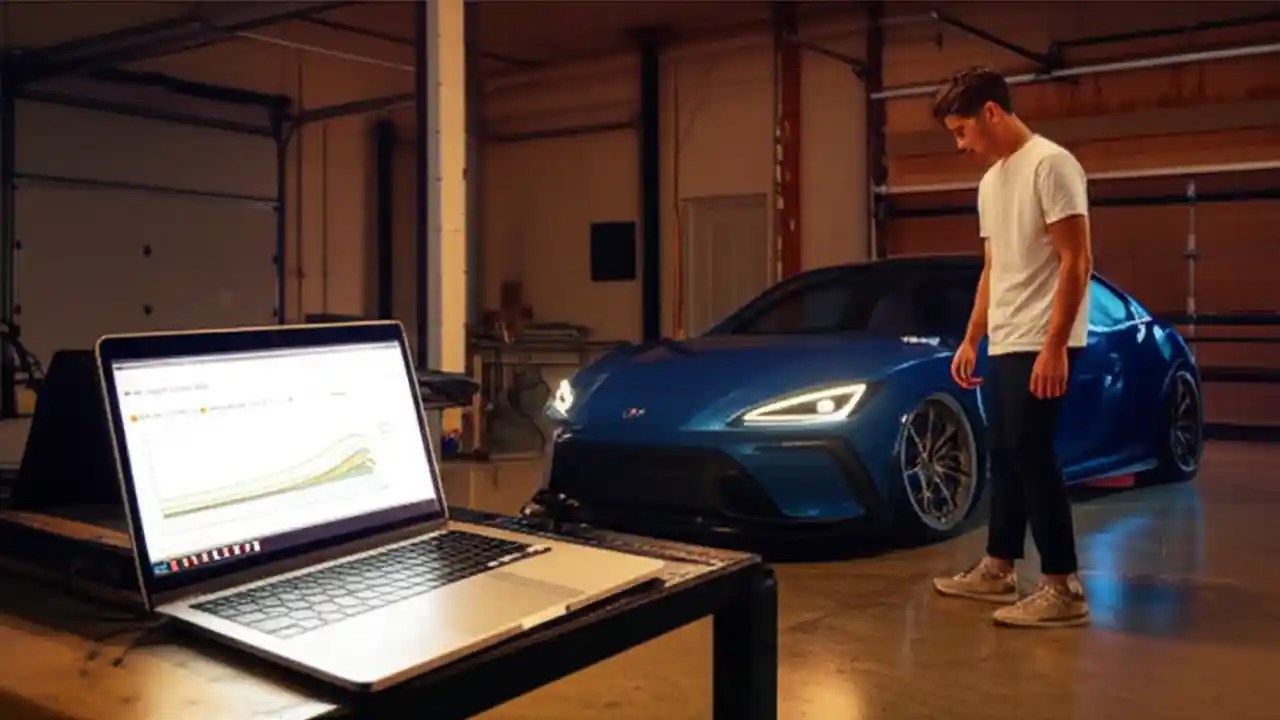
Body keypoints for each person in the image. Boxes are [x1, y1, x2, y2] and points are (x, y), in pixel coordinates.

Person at [928, 67, 1094, 628]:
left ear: (992, 113)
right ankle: (999, 568)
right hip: (1005, 338)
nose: (961, 144)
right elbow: (994, 268)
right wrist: (973, 337)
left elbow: (1077, 261)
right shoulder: (991, 182)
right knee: (1005, 452)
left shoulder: (1052, 164)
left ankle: (1063, 586)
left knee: (1033, 453)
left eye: (961, 130)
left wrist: (1055, 347)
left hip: (1043, 338)